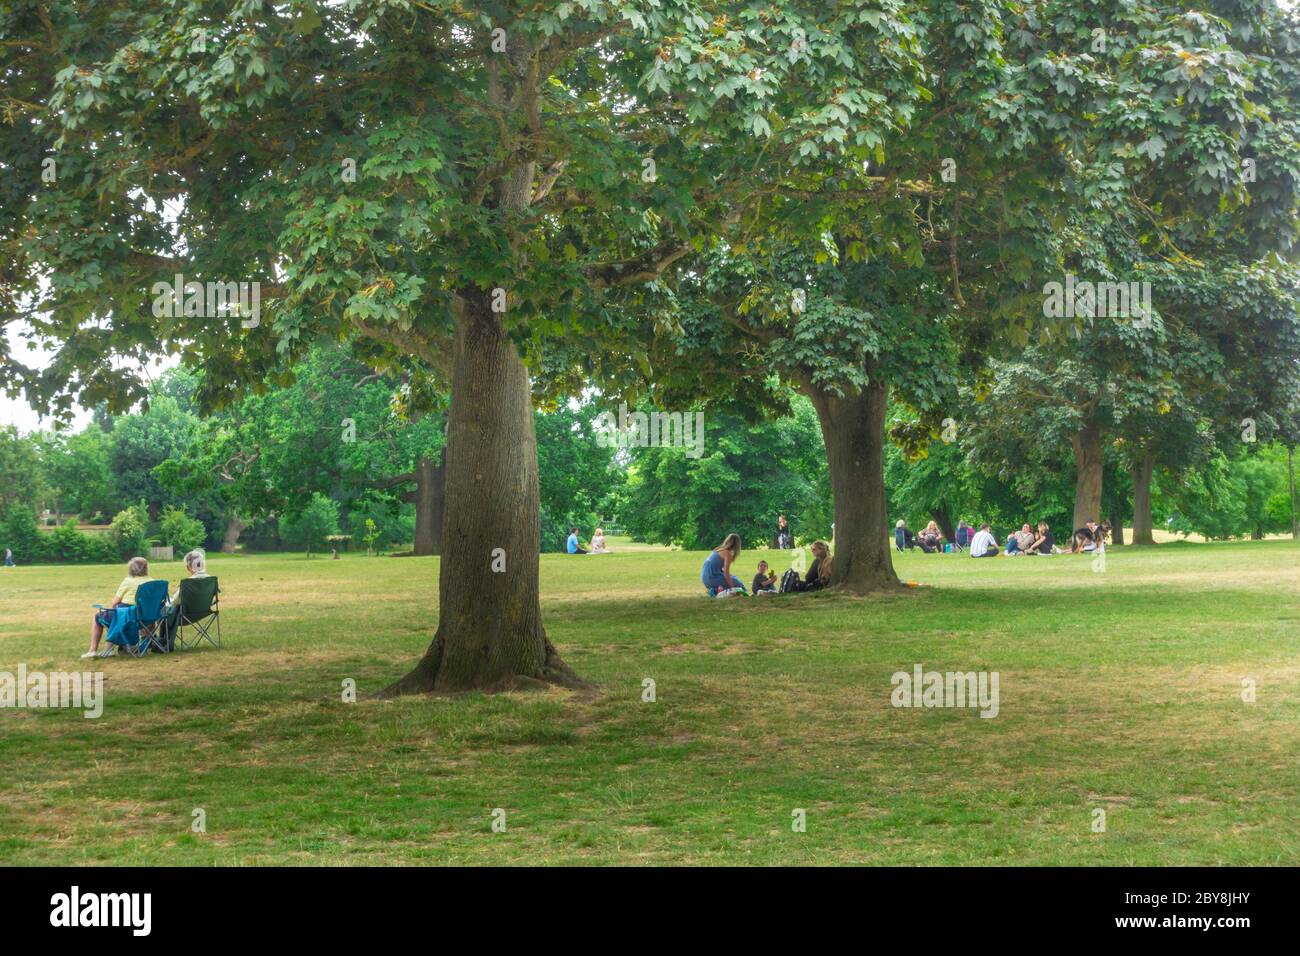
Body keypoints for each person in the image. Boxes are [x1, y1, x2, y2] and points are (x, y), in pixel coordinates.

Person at [82, 557, 154, 659]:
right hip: (147, 618)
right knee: (118, 615)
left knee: (99, 616)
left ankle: (93, 650)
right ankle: (130, 645)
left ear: (131, 569)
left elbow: (114, 603)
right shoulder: (153, 582)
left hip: (128, 617)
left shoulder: (128, 581)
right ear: (146, 568)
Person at [161, 549, 211, 648]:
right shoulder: (210, 579)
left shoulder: (188, 583)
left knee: (165, 611)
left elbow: (174, 602)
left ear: (188, 567)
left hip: (185, 614)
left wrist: (166, 602)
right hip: (204, 610)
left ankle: (163, 641)